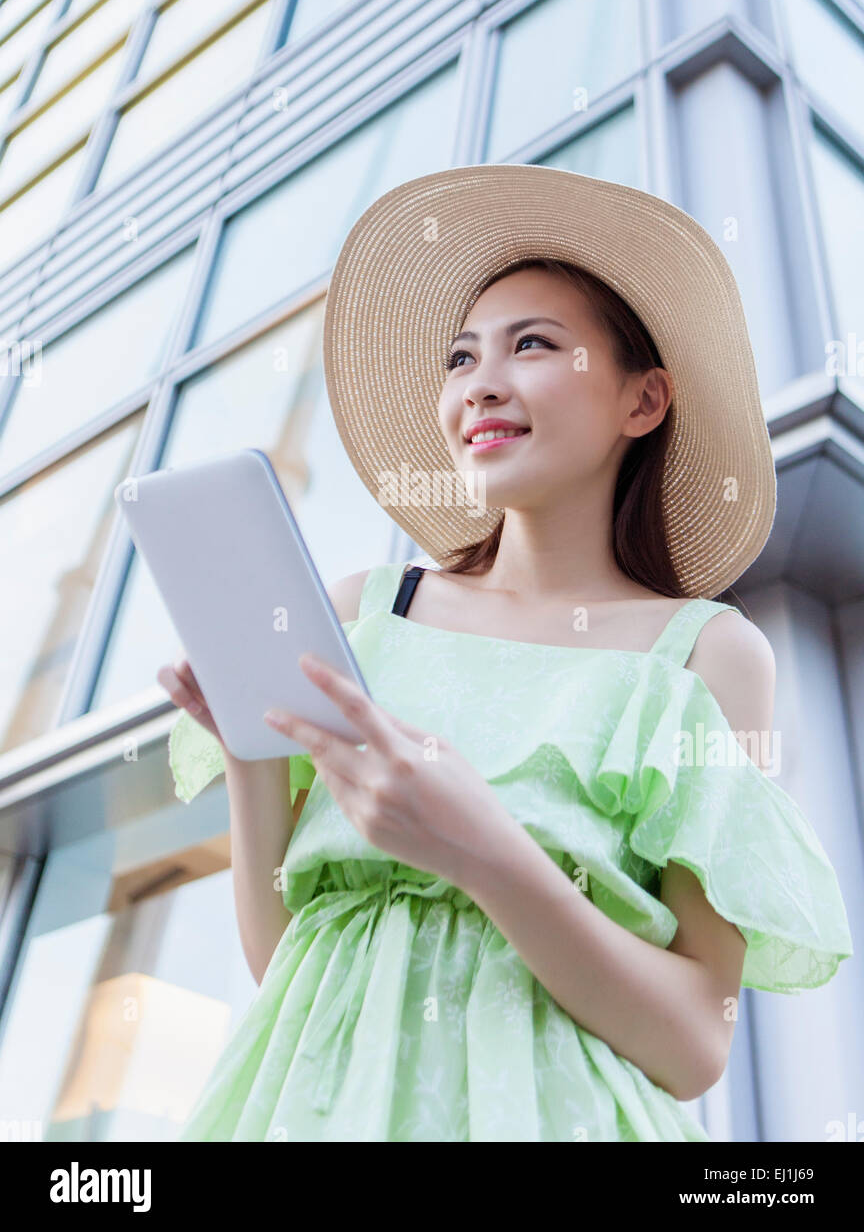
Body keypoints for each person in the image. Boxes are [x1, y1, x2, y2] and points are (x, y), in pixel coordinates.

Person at [158, 164, 853, 1142]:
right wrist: (246, 749)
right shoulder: (367, 613)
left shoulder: (705, 656)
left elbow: (698, 1041)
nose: (479, 381)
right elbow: (290, 966)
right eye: (459, 357)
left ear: (642, 400)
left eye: (533, 346)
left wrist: (484, 852)